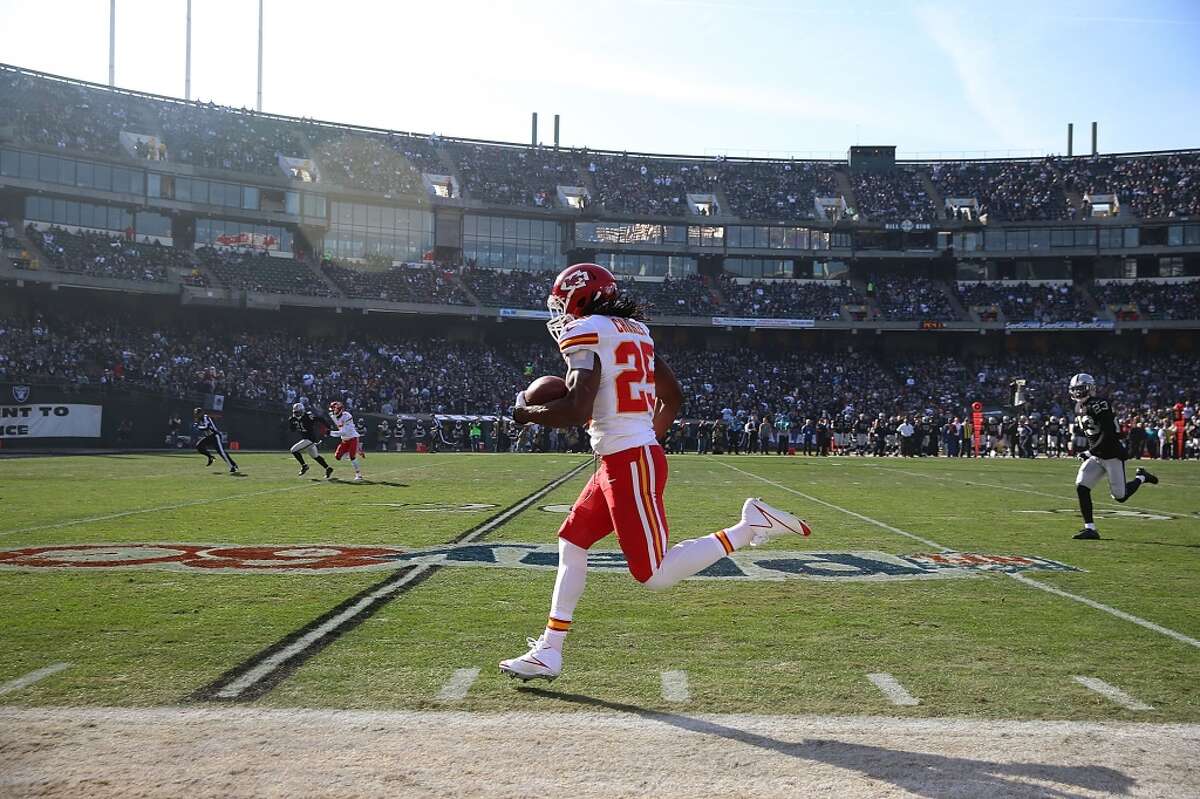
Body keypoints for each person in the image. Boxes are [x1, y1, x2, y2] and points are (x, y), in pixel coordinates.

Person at [500, 263, 811, 682]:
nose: (561, 313)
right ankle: (549, 650)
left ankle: (748, 527)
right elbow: (673, 396)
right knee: (573, 541)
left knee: (655, 574)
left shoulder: (585, 330)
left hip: (628, 460)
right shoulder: (637, 332)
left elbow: (575, 410)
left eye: (563, 303)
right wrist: (643, 440)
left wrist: (525, 413)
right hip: (624, 457)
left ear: (578, 298)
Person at [1069, 373, 1158, 540]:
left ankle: (1141, 477)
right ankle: (1090, 529)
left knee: (1120, 496)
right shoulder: (1078, 407)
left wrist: (1090, 452)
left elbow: (1109, 433)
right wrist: (1090, 451)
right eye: (1075, 389)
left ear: (1090, 388)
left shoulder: (1099, 404)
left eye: (1081, 389)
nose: (1078, 393)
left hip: (1111, 454)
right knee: (1082, 486)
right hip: (1097, 455)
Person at [288, 403, 334, 478]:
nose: (297, 414)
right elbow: (292, 430)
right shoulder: (293, 419)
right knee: (315, 456)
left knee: (293, 450)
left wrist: (328, 427)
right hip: (306, 440)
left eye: (298, 412)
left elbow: (320, 419)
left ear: (302, 411)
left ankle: (304, 466)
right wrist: (293, 424)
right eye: (295, 412)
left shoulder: (308, 416)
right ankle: (328, 468)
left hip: (310, 439)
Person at [328, 401, 364, 481]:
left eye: (334, 409)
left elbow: (345, 432)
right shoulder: (333, 416)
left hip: (352, 438)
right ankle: (352, 452)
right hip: (344, 439)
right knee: (337, 457)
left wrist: (330, 433)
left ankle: (359, 475)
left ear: (339, 409)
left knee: (352, 457)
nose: (333, 411)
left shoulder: (347, 416)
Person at [193, 407, 238, 473]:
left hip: (215, 436)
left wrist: (198, 427)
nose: (196, 415)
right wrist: (197, 425)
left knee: (221, 452)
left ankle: (233, 466)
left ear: (201, 413)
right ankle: (210, 457)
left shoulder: (205, 417)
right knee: (199, 446)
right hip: (208, 437)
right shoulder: (199, 419)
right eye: (196, 414)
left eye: (197, 413)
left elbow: (207, 427)